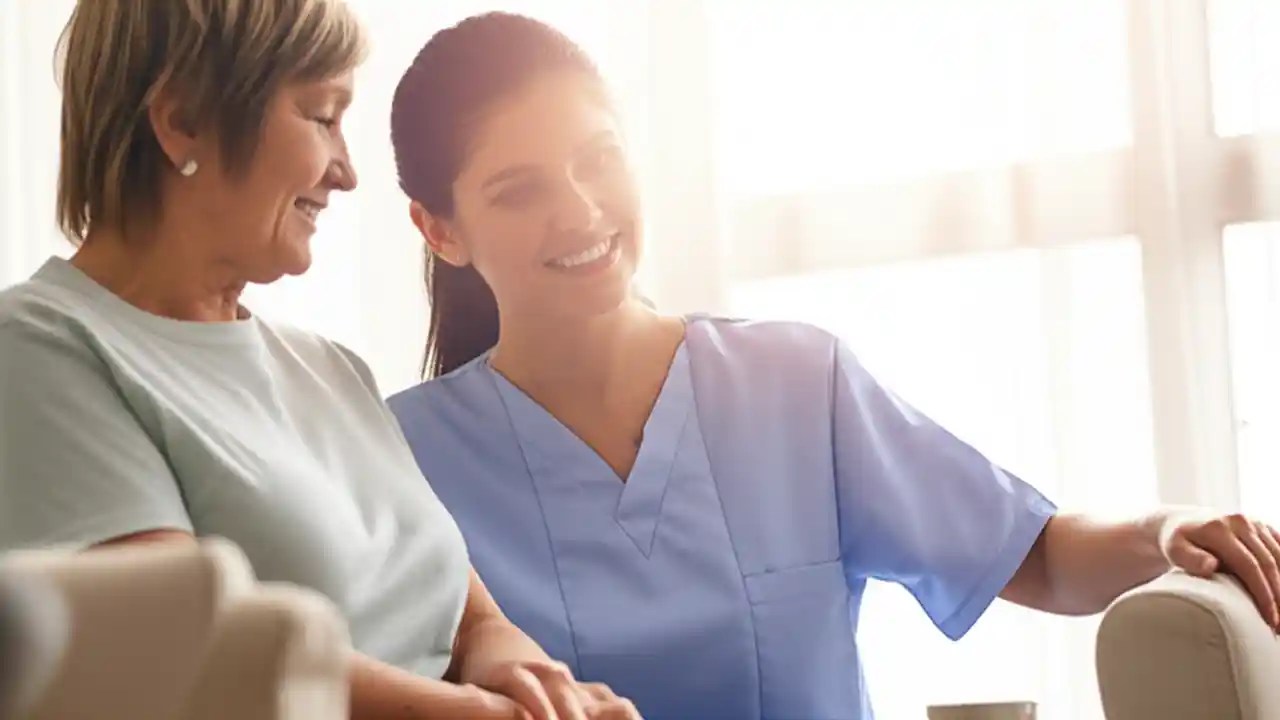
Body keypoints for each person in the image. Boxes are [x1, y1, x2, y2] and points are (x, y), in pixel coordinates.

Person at [387, 12, 1280, 720]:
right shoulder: (397, 456)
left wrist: (1169, 526)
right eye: (521, 189)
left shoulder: (792, 382)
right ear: (440, 228)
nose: (580, 213)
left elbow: (1033, 556)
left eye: (599, 160)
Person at [0, 3, 640, 719]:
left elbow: (471, 622)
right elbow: (181, 659)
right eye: (321, 117)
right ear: (181, 120)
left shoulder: (332, 371)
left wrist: (526, 675)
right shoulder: (40, 346)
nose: (347, 173)